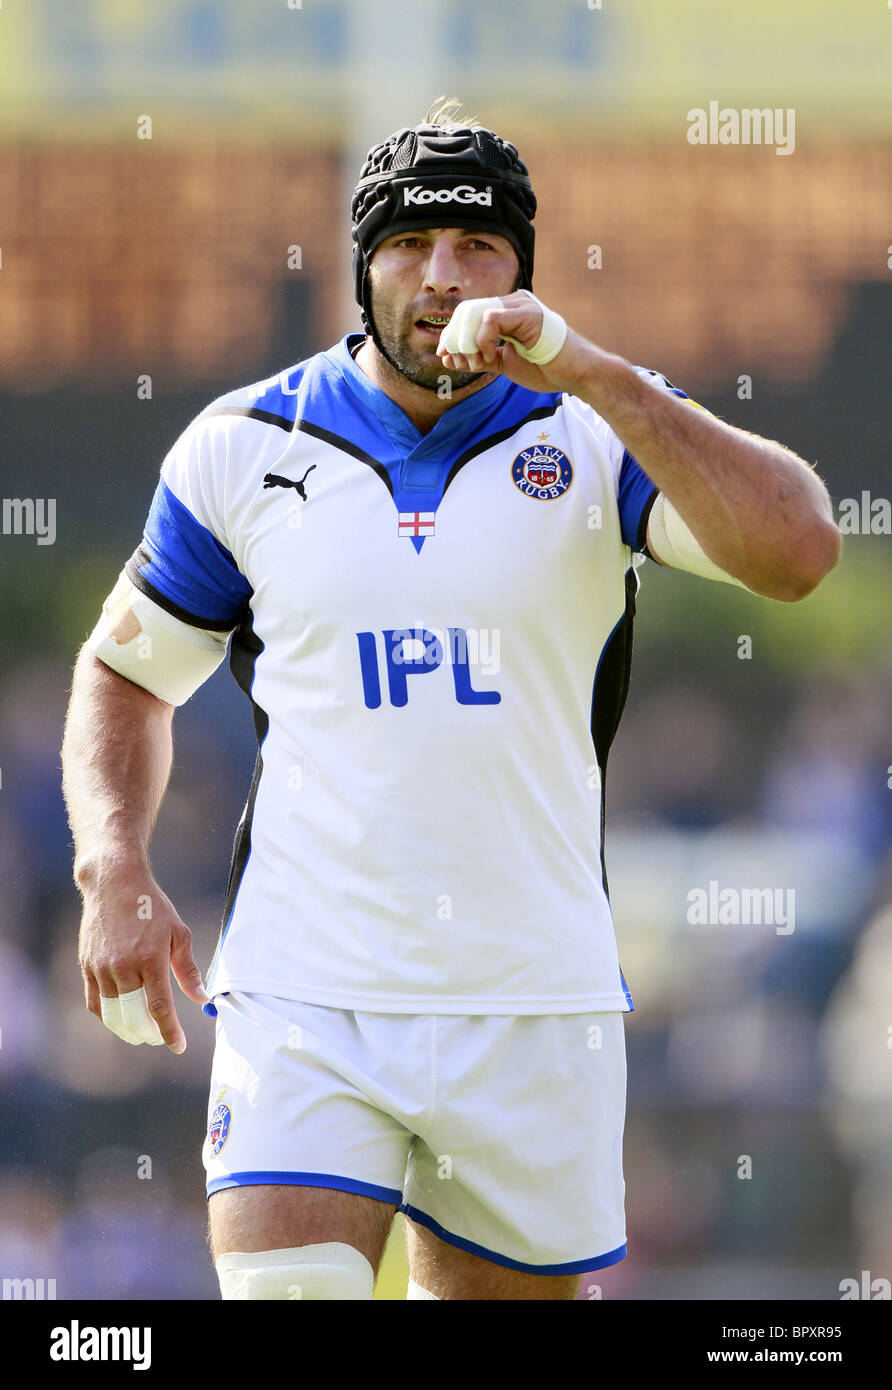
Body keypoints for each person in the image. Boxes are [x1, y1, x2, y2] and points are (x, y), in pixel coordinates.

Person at [60, 95, 841, 1301]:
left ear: (522, 267)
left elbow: (798, 551)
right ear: (362, 266)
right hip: (307, 988)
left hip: (536, 999)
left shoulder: (595, 429)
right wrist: (113, 866)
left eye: (478, 245)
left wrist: (589, 367)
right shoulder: (241, 442)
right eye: (410, 244)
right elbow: (123, 673)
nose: (442, 276)